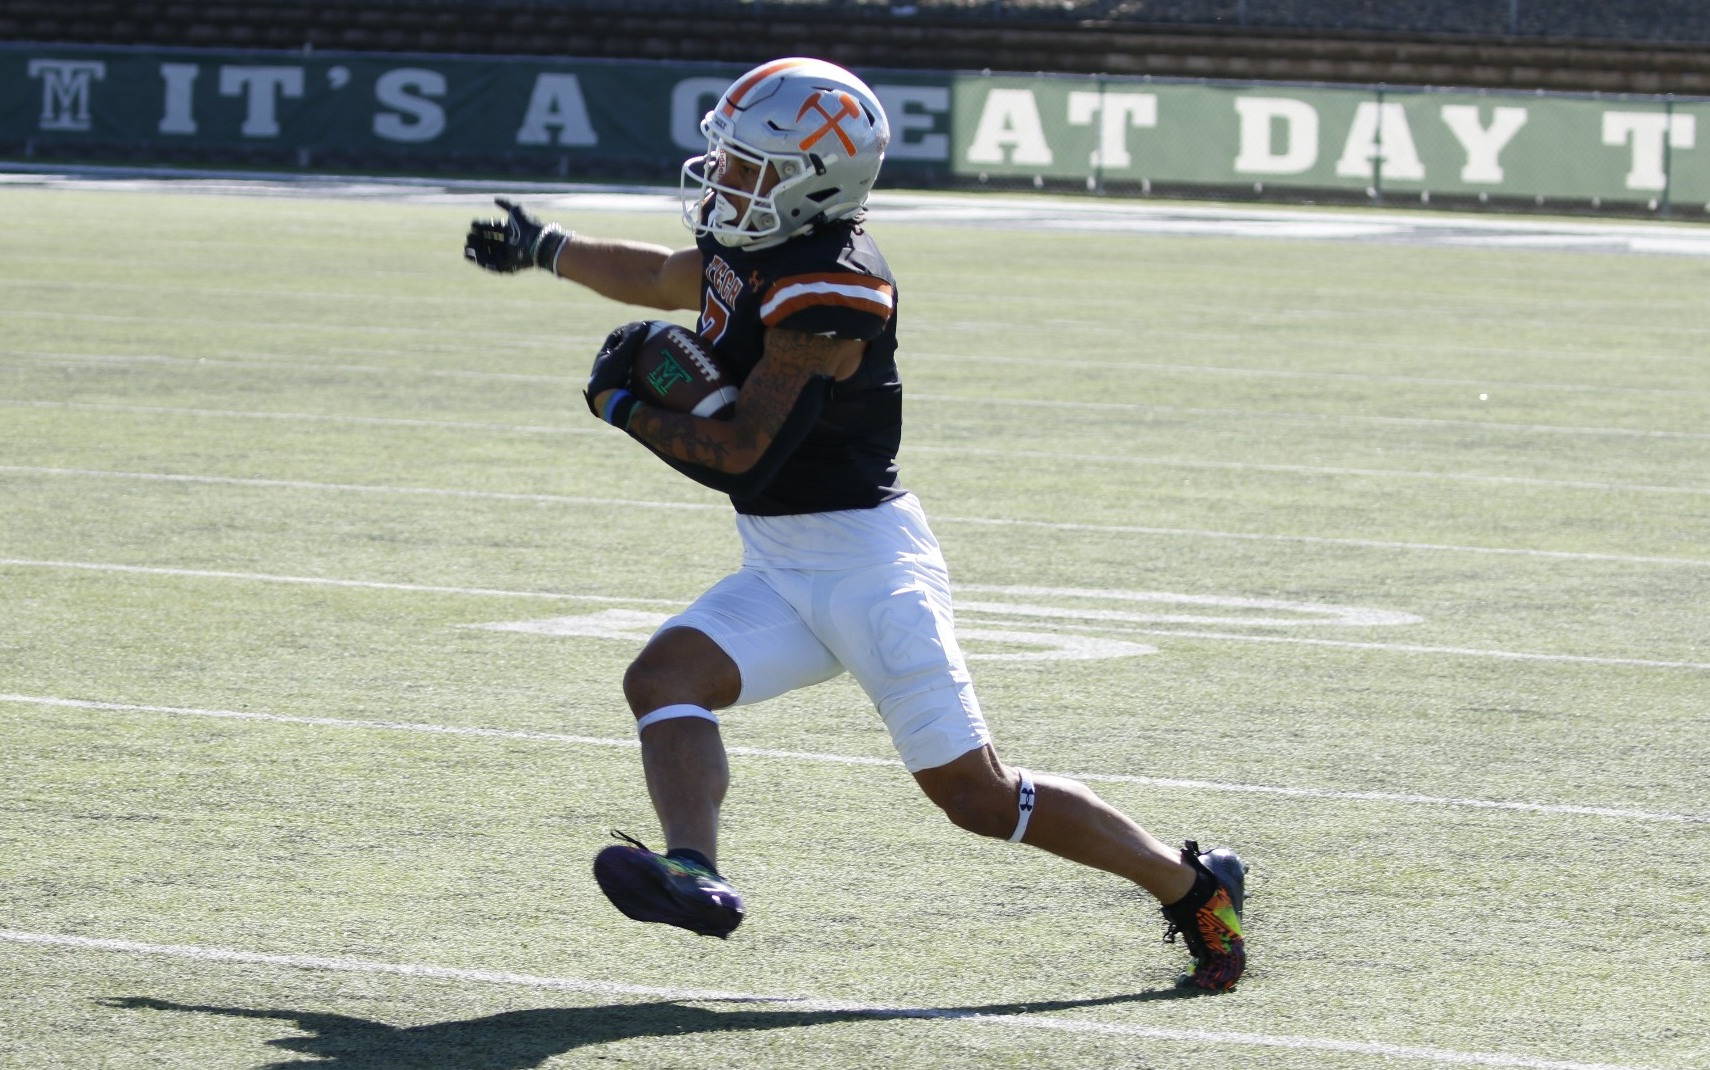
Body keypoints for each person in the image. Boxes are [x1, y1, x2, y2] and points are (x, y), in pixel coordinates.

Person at [465, 57, 1248, 991]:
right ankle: (693, 871)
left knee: (977, 798)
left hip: (871, 571)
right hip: (784, 559)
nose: (724, 178)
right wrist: (548, 247)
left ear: (815, 180)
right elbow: (673, 276)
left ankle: (1191, 883)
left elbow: (749, 451)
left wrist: (623, 409)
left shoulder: (834, 286)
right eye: (728, 158)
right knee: (664, 678)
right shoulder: (756, 243)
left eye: (750, 166)